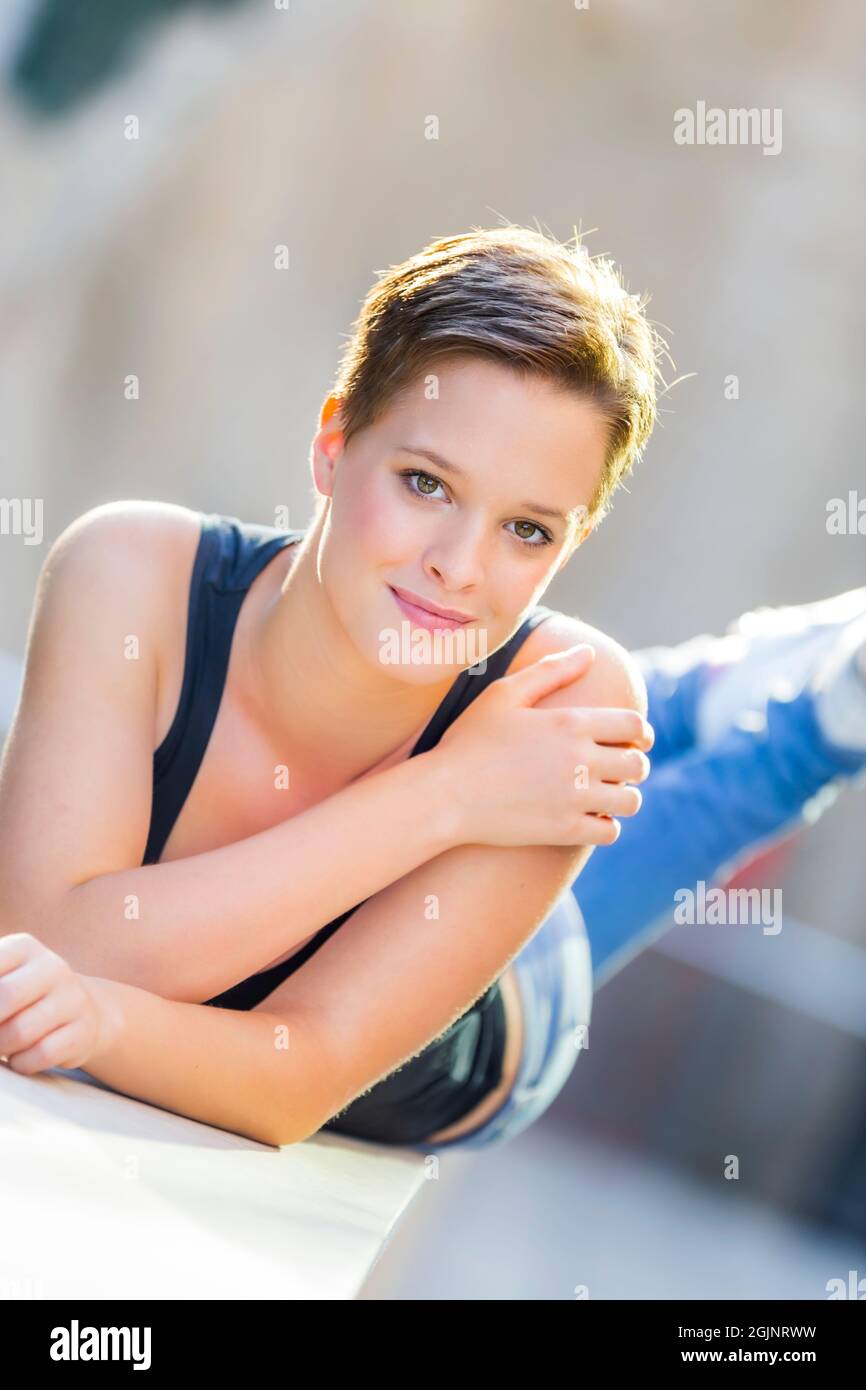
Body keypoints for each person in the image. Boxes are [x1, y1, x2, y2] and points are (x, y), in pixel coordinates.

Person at [0, 224, 659, 1151]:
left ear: (572, 544)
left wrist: (105, 1021)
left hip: (492, 1014)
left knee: (645, 836)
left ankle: (779, 728)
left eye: (528, 531)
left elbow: (297, 1077)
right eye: (426, 483)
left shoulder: (570, 702)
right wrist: (451, 791)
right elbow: (44, 952)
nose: (459, 567)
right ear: (332, 443)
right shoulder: (128, 571)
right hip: (493, 776)